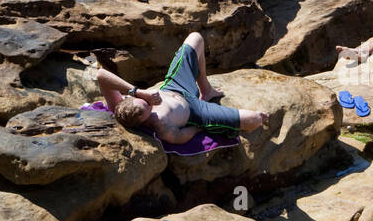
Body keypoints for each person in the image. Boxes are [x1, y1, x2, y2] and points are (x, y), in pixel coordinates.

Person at [94, 32, 270, 144]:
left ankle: (206, 90)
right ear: (143, 120)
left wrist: (138, 92)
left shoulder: (118, 105)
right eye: (147, 108)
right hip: (196, 111)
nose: (150, 104)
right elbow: (179, 137)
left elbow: (101, 75)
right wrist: (201, 127)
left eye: (143, 102)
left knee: (196, 38)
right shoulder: (161, 125)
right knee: (254, 119)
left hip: (174, 86)